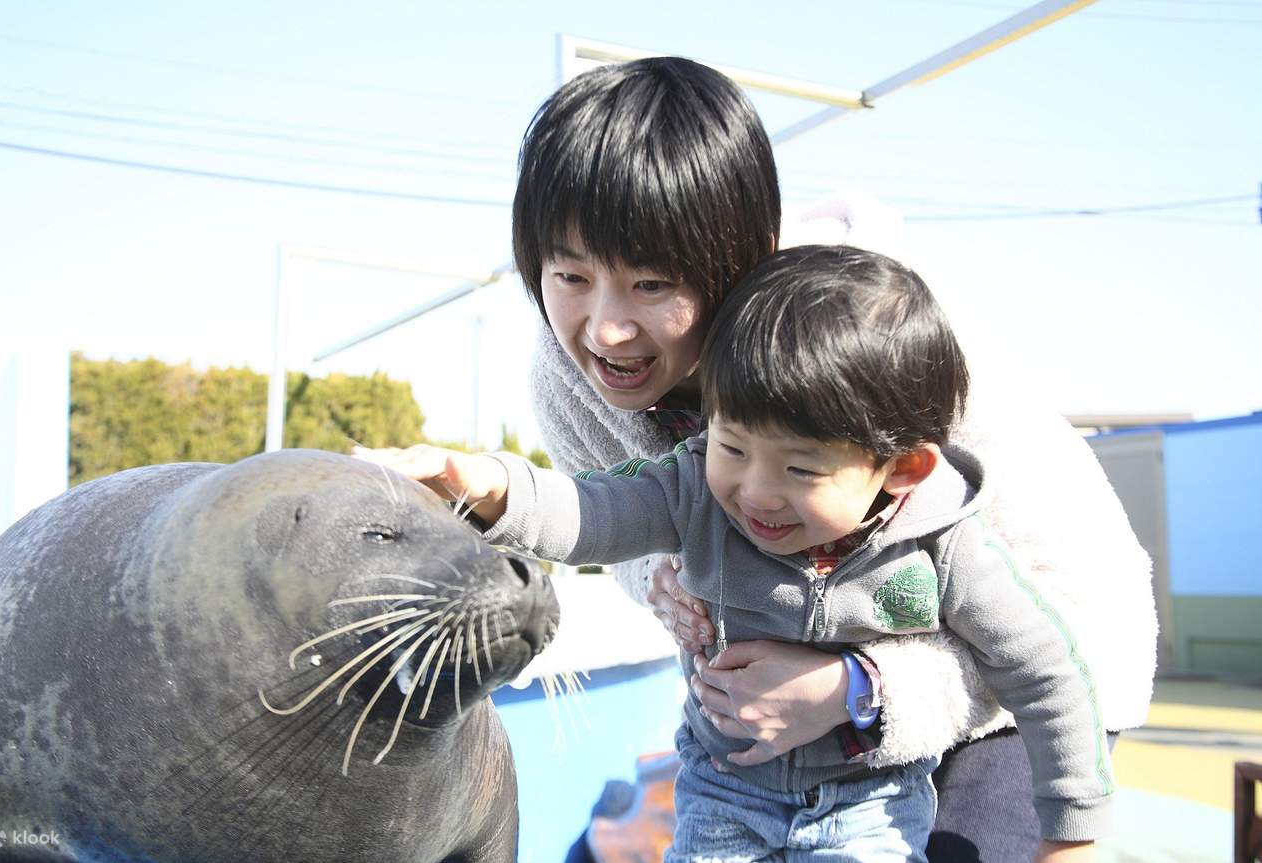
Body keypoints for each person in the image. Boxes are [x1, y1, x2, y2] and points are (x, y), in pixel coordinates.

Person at [509, 56, 1155, 863]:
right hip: (805, 709)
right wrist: (665, 584)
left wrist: (859, 691)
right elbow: (637, 529)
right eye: (569, 275)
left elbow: (1052, 634)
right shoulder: (566, 376)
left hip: (1023, 673)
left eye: (650, 283)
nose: (603, 328)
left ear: (738, 260)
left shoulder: (874, 354)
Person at [376, 244, 1117, 861]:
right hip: (724, 797)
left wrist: (1071, 830)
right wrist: (492, 487)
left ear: (901, 469)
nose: (755, 492)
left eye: (801, 468)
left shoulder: (945, 543)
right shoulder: (695, 487)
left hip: (872, 805)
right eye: (731, 445)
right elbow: (593, 508)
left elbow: (1046, 672)